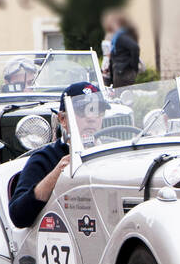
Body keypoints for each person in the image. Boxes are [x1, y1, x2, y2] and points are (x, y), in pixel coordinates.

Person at [7, 82, 107, 228]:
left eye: (97, 111)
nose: (92, 118)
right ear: (63, 119)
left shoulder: (111, 152)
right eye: (82, 111)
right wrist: (57, 173)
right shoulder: (45, 158)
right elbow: (18, 216)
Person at [109, 14, 141, 88]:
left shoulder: (121, 37)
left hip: (123, 72)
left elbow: (135, 48)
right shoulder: (117, 36)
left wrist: (134, 66)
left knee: (122, 96)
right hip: (120, 71)